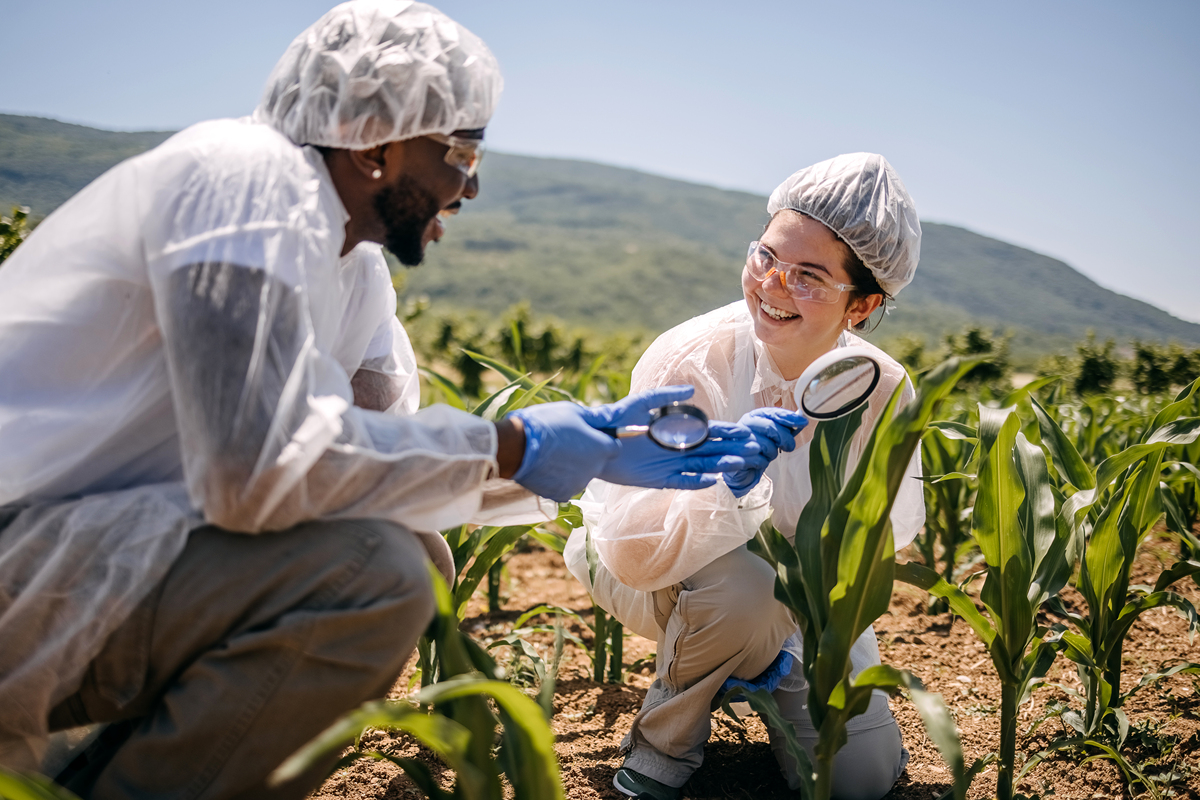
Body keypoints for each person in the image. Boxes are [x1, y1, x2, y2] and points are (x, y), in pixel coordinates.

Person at [0, 3, 801, 797]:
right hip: (28, 547)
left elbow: (365, 464)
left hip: (96, 552)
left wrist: (585, 459)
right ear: (377, 140)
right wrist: (516, 448)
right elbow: (254, 469)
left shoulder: (353, 271)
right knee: (368, 570)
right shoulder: (245, 177)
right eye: (458, 150)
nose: (472, 184)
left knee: (409, 551)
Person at [564, 153, 926, 800]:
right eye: (766, 256)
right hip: (647, 567)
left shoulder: (883, 392)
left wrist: (795, 640)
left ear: (863, 305)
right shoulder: (692, 359)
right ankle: (664, 749)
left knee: (858, 784)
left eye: (809, 277)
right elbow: (633, 552)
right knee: (749, 587)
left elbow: (874, 544)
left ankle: (751, 662)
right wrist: (726, 490)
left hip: (800, 604)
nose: (773, 285)